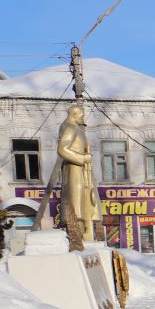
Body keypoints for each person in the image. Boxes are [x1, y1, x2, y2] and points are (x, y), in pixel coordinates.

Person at [56, 102, 99, 246]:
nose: (83, 118)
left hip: (80, 171)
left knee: (85, 201)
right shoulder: (69, 128)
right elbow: (62, 149)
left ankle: (84, 232)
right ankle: (78, 232)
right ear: (74, 115)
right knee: (77, 202)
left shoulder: (75, 128)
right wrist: (83, 158)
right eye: (81, 115)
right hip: (74, 170)